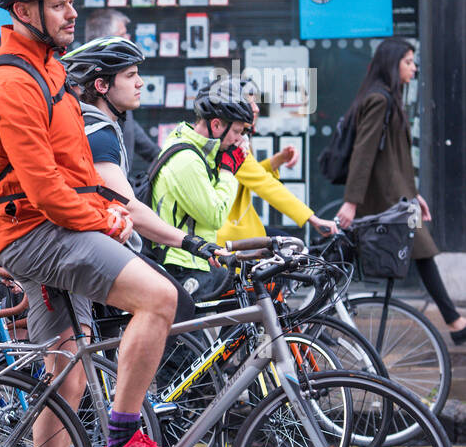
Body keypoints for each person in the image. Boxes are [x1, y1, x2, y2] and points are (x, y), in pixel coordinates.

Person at [0, 0, 202, 447]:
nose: (73, 11)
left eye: (71, 0)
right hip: (33, 232)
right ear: (25, 11)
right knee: (158, 298)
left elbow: (74, 169)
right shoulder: (11, 81)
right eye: (59, 3)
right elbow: (45, 187)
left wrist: (108, 206)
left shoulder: (49, 72)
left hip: (49, 227)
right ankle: (124, 439)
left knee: (65, 375)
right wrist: (104, 220)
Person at [337, 39, 466, 343]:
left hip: (398, 196)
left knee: (421, 253)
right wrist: (351, 202)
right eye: (408, 61)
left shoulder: (389, 99)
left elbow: (397, 157)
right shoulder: (379, 100)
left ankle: (455, 322)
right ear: (392, 64)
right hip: (383, 199)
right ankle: (455, 322)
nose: (414, 67)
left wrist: (415, 193)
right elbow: (363, 154)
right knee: (419, 252)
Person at [61, 36, 224, 261]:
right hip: (87, 255)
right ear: (102, 85)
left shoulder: (101, 126)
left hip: (95, 249)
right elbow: (130, 208)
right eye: (130, 75)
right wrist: (191, 242)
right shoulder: (98, 135)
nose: (140, 82)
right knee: (172, 297)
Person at [150, 81, 254, 301]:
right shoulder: (187, 160)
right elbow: (215, 215)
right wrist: (227, 172)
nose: (238, 139)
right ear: (216, 125)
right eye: (236, 131)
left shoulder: (199, 153)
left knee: (248, 296)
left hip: (197, 260)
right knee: (191, 334)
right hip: (182, 266)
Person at [213, 76, 337, 244]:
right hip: (230, 235)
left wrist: (278, 159)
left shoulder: (238, 138)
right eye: (250, 103)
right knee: (291, 249)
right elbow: (265, 184)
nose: (256, 109)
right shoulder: (233, 143)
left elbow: (248, 174)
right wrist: (312, 219)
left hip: (233, 228)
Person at [79, 7, 158, 184]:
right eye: (123, 35)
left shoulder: (118, 106)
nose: (130, 40)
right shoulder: (95, 125)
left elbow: (143, 143)